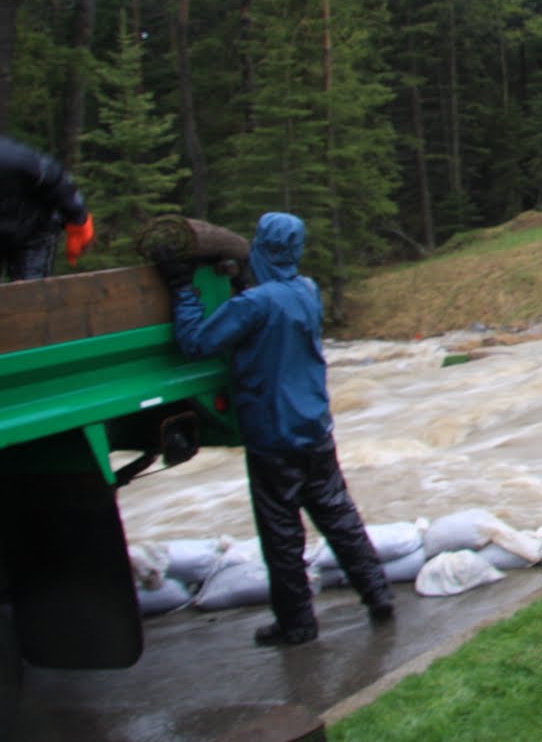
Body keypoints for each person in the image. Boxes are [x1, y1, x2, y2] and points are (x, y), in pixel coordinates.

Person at [156, 212, 393, 646]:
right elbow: (270, 317)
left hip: (272, 435)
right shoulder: (307, 290)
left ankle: (297, 624)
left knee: (282, 536)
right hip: (314, 427)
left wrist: (181, 289)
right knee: (339, 515)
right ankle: (378, 594)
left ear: (262, 247)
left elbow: (197, 343)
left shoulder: (254, 304)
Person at [1, 135, 94, 281]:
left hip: (34, 230)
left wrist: (79, 220)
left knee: (30, 293)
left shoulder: (15, 159)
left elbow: (58, 180)